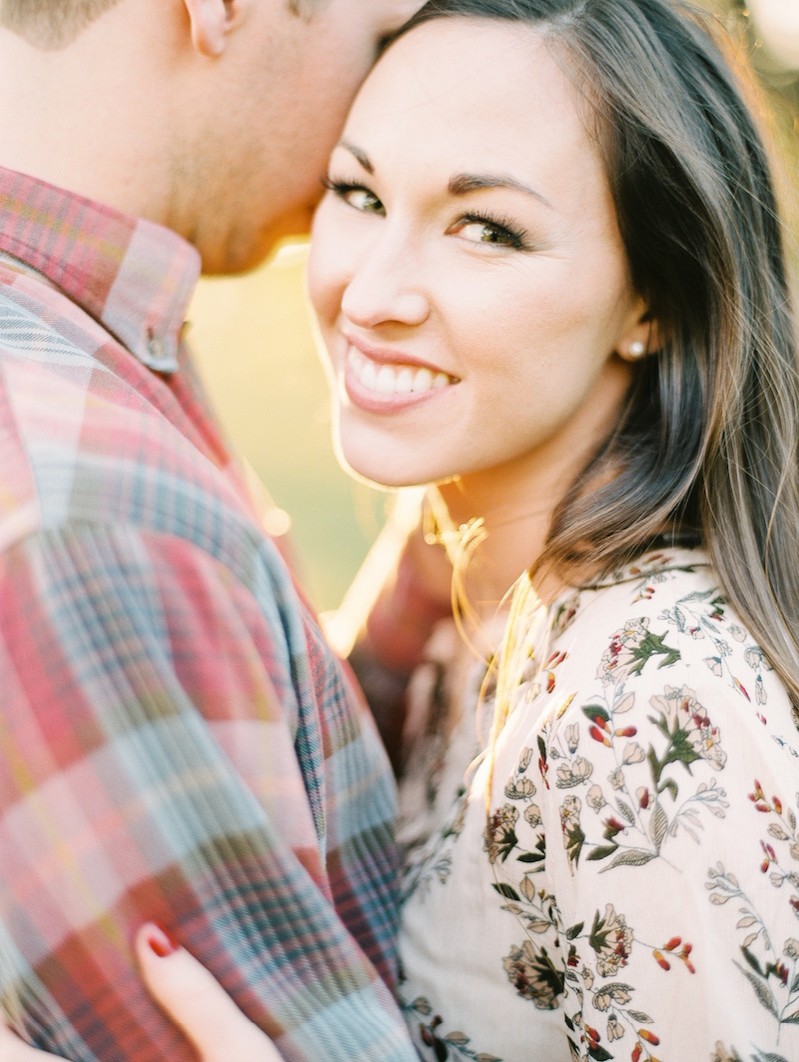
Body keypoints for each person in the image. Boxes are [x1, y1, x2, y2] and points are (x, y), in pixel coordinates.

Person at [13, 0, 798, 1059]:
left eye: (488, 228)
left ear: (650, 300)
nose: (372, 292)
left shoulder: (653, 710)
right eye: (358, 192)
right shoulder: (459, 630)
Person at [0, 1, 437, 1059]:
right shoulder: (89, 517)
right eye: (377, 25)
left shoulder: (94, 351)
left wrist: (429, 599)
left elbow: (268, 793)